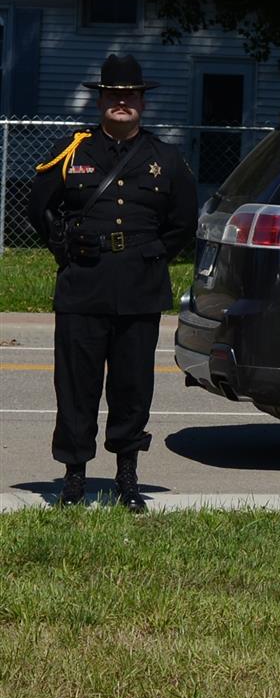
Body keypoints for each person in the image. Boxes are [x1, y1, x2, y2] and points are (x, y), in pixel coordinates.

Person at [27, 53, 196, 511]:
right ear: (101, 100)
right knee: (76, 387)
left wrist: (152, 254)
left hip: (139, 289)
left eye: (130, 96)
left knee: (132, 387)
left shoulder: (166, 158)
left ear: (143, 101)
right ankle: (74, 478)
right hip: (83, 285)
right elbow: (37, 207)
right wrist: (63, 249)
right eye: (114, 96)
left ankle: (127, 477)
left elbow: (183, 222)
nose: (122, 103)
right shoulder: (72, 152)